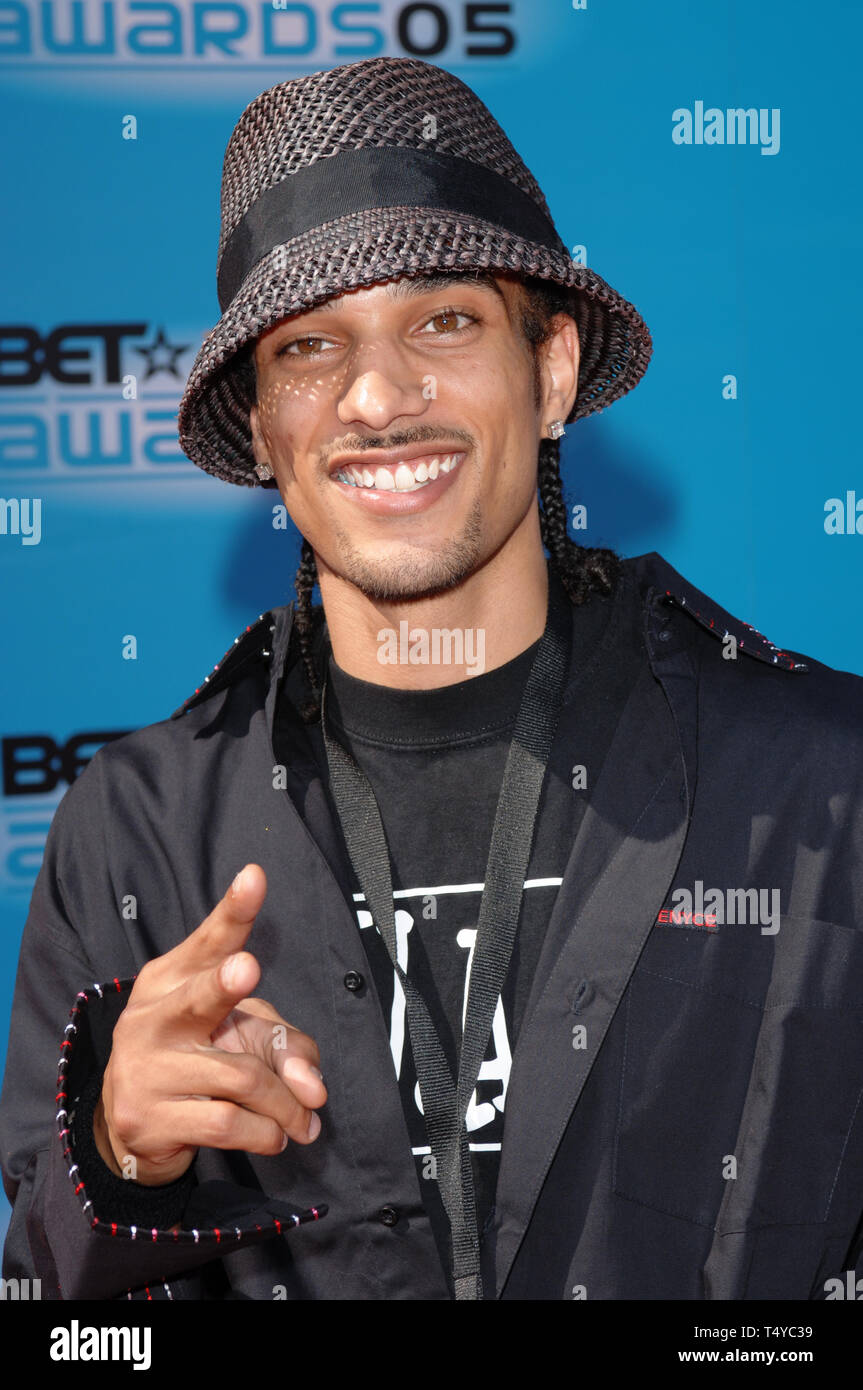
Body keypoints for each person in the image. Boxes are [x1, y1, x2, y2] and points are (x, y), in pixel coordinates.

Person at [2, 54, 863, 1303]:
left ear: (552, 371)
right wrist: (119, 1162)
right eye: (310, 347)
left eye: (443, 320)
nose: (377, 396)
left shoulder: (819, 780)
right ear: (261, 429)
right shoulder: (132, 832)